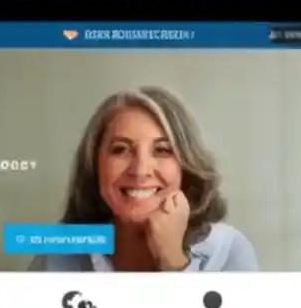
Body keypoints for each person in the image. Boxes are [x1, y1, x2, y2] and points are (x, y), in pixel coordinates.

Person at [30, 87, 257, 272]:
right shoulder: (60, 250)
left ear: (186, 167)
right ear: (94, 164)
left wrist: (172, 260)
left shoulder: (228, 251)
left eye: (162, 150)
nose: (140, 170)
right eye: (121, 150)